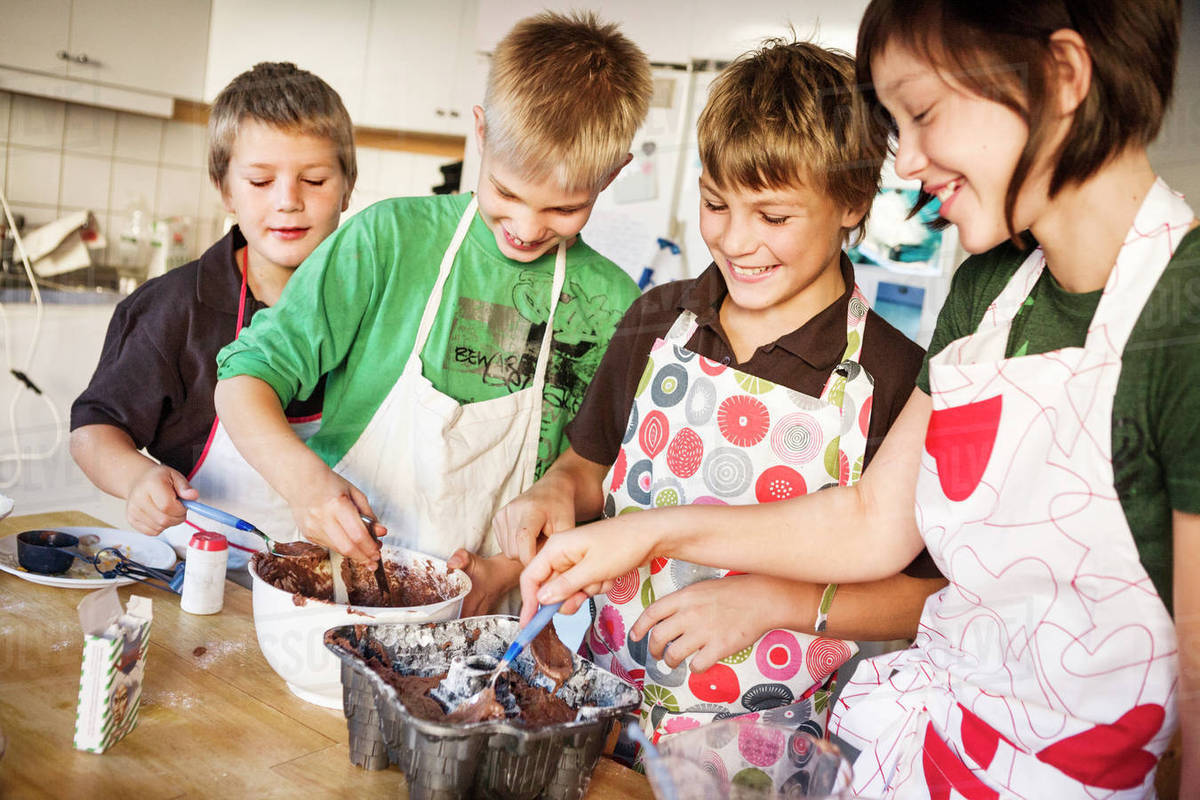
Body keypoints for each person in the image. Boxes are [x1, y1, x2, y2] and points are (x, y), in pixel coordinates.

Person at [518, 0, 1199, 796]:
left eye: (924, 113)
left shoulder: (1180, 318)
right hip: (923, 757)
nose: (905, 161)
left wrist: (769, 598)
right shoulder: (990, 288)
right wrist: (646, 533)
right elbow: (873, 519)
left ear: (1065, 75)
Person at [492, 39, 943, 759]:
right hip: (606, 710)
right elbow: (586, 466)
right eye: (714, 203)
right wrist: (552, 493)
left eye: (773, 216)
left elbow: (925, 598)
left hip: (765, 750)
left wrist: (772, 601)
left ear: (852, 200)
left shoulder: (894, 375)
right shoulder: (658, 317)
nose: (736, 241)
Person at [213, 12, 651, 614]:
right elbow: (245, 379)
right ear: (480, 132)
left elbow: (593, 464)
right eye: (507, 192)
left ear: (614, 173)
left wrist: (507, 567)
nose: (525, 229)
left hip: (490, 616)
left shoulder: (614, 304)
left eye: (564, 208)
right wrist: (303, 484)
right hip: (337, 593)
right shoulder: (390, 240)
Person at [70, 62, 355, 560]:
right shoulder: (173, 309)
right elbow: (94, 429)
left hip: (335, 587)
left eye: (313, 179)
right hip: (200, 582)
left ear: (347, 185)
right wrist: (138, 479)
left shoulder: (372, 307)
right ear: (225, 190)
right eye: (261, 181)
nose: (288, 202)